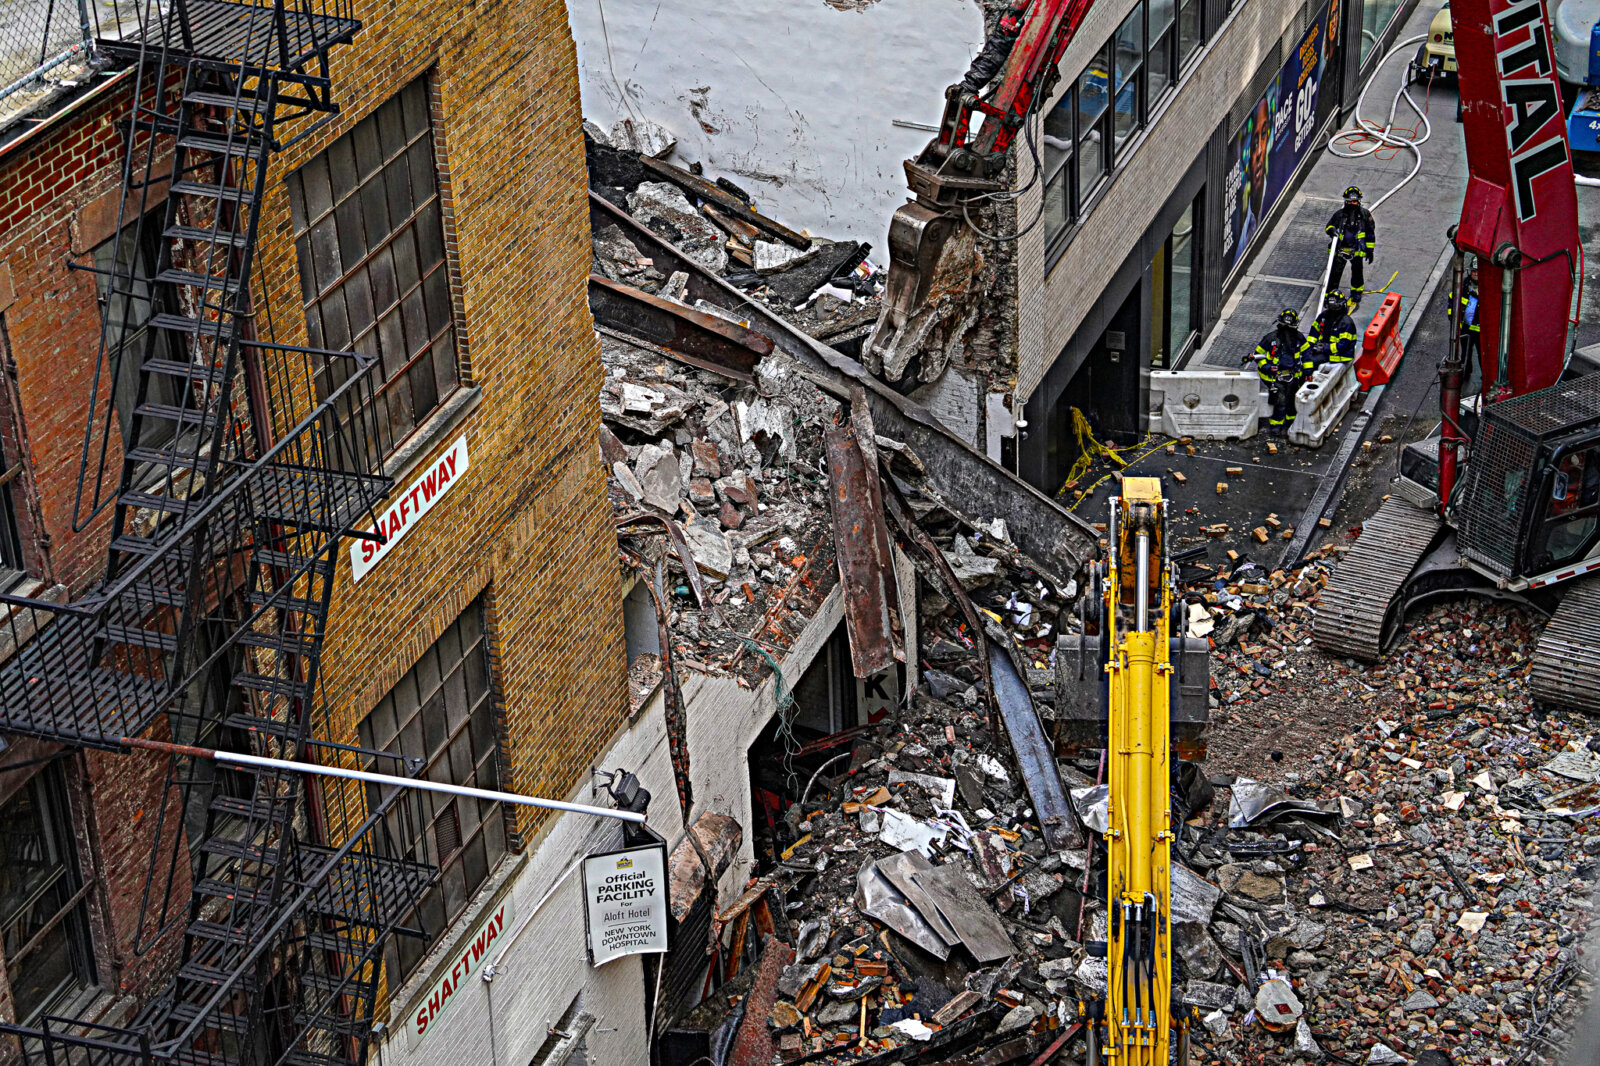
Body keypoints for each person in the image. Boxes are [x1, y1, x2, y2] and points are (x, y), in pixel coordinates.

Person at [1246, 308, 1312, 434]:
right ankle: (1276, 426)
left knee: (1292, 402)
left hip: (1293, 377)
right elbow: (1258, 355)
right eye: (1284, 326)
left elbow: (1307, 354)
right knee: (1280, 402)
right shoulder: (1270, 338)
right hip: (1275, 378)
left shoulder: (1299, 339)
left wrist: (1308, 371)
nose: (1287, 330)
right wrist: (1267, 368)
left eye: (1289, 327)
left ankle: (1290, 425)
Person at [1325, 186, 1376, 303]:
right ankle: (1329, 295)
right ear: (1345, 201)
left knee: (1357, 273)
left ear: (1358, 201)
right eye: (1349, 201)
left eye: (1354, 201)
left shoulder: (1365, 215)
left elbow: (1370, 233)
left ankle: (1356, 292)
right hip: (1340, 250)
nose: (1352, 204)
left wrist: (1370, 250)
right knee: (1334, 274)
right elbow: (1329, 226)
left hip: (1357, 250)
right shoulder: (1339, 215)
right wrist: (1332, 230)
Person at [1447, 258, 1481, 390]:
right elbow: (1452, 299)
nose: (1475, 274)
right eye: (1473, 272)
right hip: (1465, 328)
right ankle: (1466, 372)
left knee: (1481, 354)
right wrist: (1452, 318)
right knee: (1465, 353)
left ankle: (1486, 377)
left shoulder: (1487, 287)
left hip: (1479, 330)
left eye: (1478, 272)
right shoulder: (1464, 286)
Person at [1300, 290, 1360, 366]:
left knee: (1309, 362)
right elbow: (1313, 334)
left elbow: (1343, 345)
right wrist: (1309, 347)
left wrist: (1324, 348)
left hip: (1340, 355)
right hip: (1325, 349)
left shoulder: (1346, 323)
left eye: (1335, 306)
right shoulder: (1323, 316)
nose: (1332, 309)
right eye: (1330, 306)